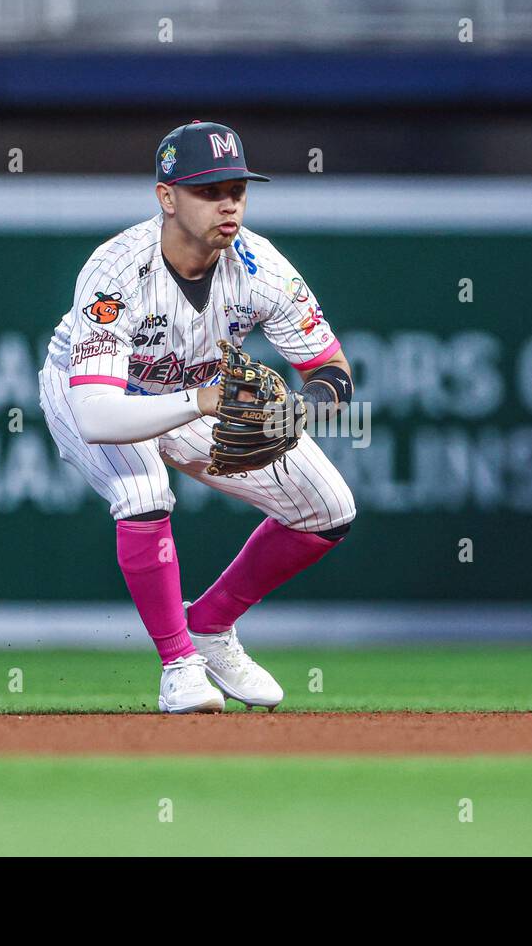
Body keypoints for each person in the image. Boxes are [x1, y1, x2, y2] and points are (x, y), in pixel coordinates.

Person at [38, 121, 356, 713]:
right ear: (166, 198)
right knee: (143, 489)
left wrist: (299, 412)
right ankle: (179, 665)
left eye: (236, 187)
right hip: (94, 393)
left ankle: (209, 625)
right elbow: (98, 417)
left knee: (328, 510)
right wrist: (204, 402)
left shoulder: (261, 267)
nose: (228, 202)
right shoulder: (116, 271)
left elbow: (332, 371)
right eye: (208, 190)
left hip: (194, 390)